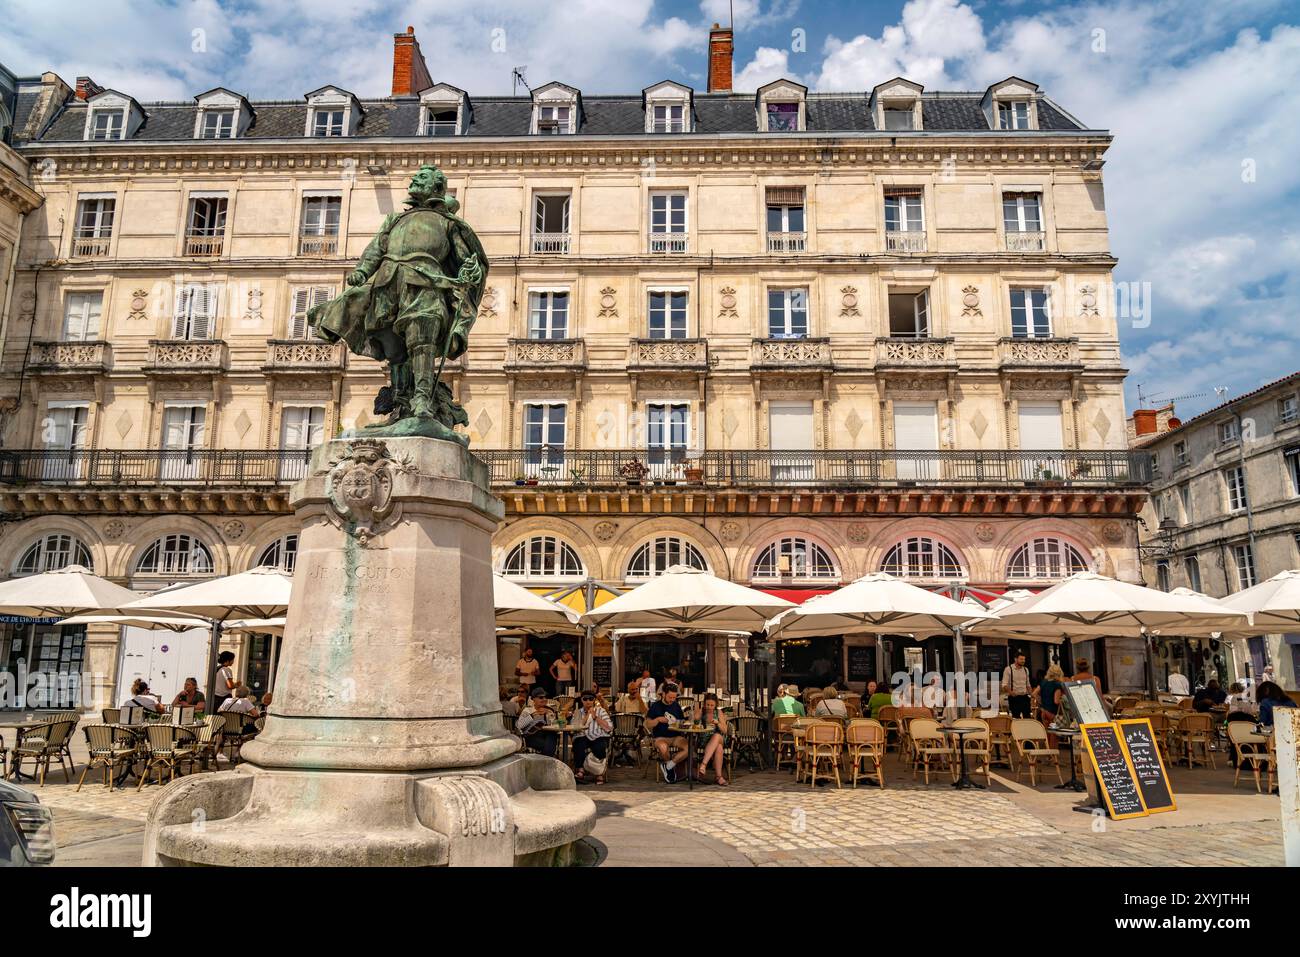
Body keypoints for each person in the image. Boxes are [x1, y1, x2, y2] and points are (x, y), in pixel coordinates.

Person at [646, 683, 688, 783]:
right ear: (663, 694)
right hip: (660, 737)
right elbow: (647, 724)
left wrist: (683, 723)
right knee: (663, 748)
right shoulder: (655, 706)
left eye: (674, 697)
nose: (672, 700)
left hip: (675, 736)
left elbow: (682, 721)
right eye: (670, 697)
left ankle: (668, 766)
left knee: (689, 748)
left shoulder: (676, 705)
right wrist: (657, 720)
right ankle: (670, 769)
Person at [570, 692, 612, 784]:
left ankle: (599, 773)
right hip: (583, 735)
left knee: (600, 746)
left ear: (594, 700)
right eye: (585, 699)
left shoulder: (601, 711)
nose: (588, 701)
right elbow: (574, 727)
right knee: (578, 744)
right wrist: (586, 716)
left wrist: (595, 716)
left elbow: (609, 727)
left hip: (598, 735)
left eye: (590, 699)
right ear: (581, 700)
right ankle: (580, 770)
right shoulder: (578, 712)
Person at [695, 693, 729, 785]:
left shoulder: (718, 712)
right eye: (707, 704)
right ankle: (718, 777)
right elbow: (694, 724)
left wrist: (718, 723)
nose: (709, 707)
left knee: (717, 736)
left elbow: (725, 730)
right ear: (704, 703)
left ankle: (703, 764)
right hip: (704, 740)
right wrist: (696, 718)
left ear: (716, 705)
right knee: (718, 748)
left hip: (720, 738)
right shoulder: (701, 711)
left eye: (712, 705)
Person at [516, 687, 558, 757]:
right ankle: (548, 760)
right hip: (532, 736)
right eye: (541, 697)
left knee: (552, 735)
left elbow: (555, 725)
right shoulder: (528, 710)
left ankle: (545, 761)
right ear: (534, 699)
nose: (544, 699)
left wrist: (551, 715)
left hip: (547, 735)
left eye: (545, 697)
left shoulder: (549, 710)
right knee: (549, 746)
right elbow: (519, 725)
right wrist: (532, 716)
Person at [1002, 652, 1032, 719]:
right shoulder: (1008, 669)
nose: (1023, 661)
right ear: (1015, 659)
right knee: (1016, 718)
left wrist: (1031, 693)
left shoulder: (1026, 669)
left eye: (1024, 659)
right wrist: (1011, 693)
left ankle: (1027, 729)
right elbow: (1004, 684)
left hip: (1025, 697)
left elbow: (1028, 684)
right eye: (1021, 659)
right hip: (1014, 698)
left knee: (1028, 717)